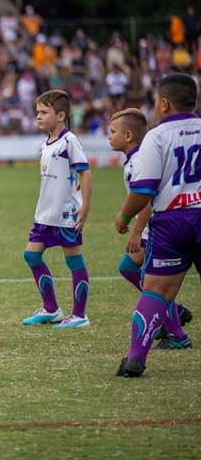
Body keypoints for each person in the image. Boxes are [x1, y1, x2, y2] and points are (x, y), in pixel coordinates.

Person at [115, 73, 201, 377]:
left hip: (171, 220)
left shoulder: (157, 136)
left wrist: (125, 218)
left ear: (163, 103)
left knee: (155, 291)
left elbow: (144, 189)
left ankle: (135, 359)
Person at [107, 108, 193, 350]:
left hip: (156, 227)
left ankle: (176, 333)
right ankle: (173, 309)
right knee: (128, 267)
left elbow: (146, 198)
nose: (108, 136)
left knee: (150, 278)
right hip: (152, 226)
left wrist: (136, 231)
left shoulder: (139, 162)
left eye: (112, 132)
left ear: (128, 136)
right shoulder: (133, 160)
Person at [22, 90, 93, 328]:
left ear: (61, 115)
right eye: (37, 112)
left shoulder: (69, 141)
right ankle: (52, 309)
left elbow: (85, 173)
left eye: (44, 112)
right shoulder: (46, 143)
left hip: (66, 214)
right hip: (44, 214)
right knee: (31, 255)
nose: (38, 116)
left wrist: (84, 206)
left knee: (74, 261)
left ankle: (80, 315)